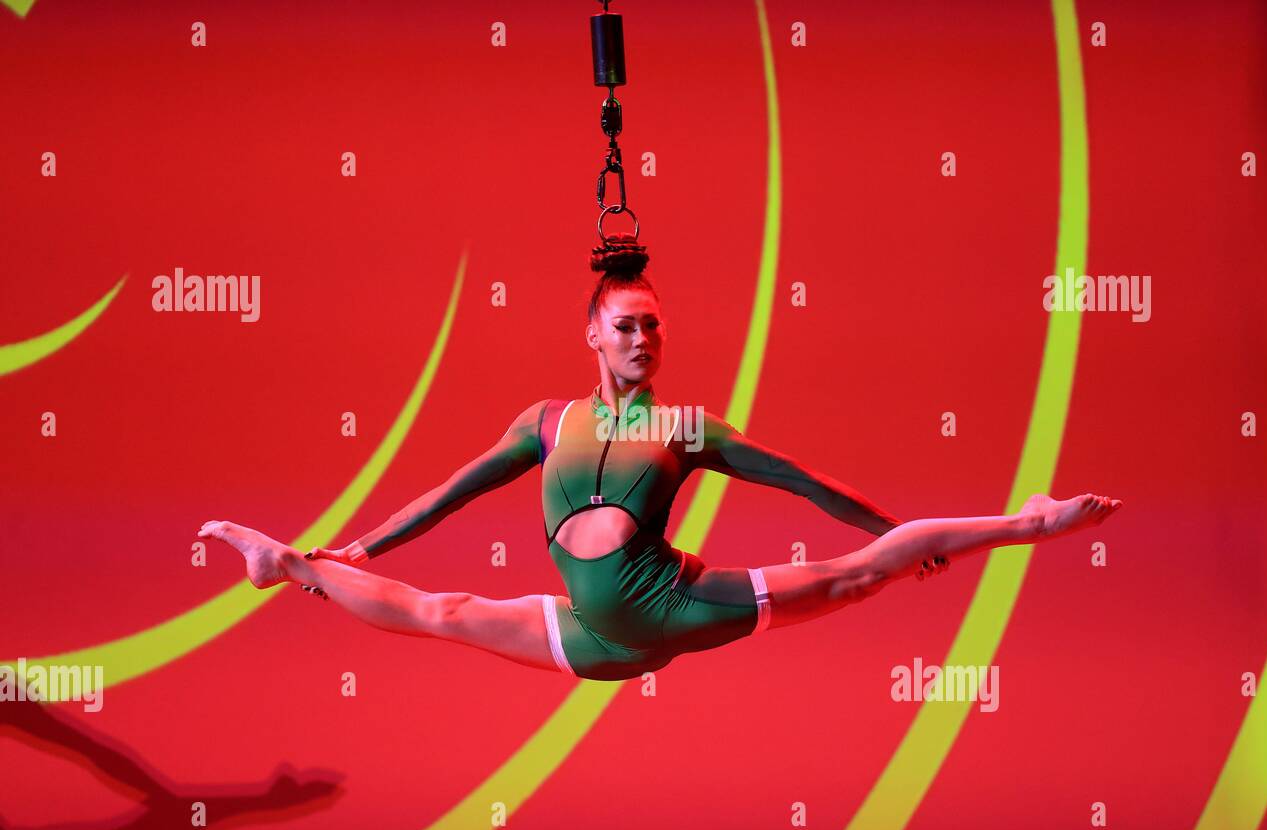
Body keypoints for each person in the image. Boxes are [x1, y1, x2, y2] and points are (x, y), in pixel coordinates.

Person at [199, 235, 1122, 680]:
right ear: (591, 334)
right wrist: (361, 548)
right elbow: (447, 495)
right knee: (441, 609)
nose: (643, 336)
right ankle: (286, 564)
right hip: (594, 639)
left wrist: (893, 533)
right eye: (626, 324)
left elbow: (806, 483)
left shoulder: (686, 427)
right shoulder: (544, 421)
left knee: (853, 577)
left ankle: (1031, 520)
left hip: (672, 605)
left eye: (654, 325)